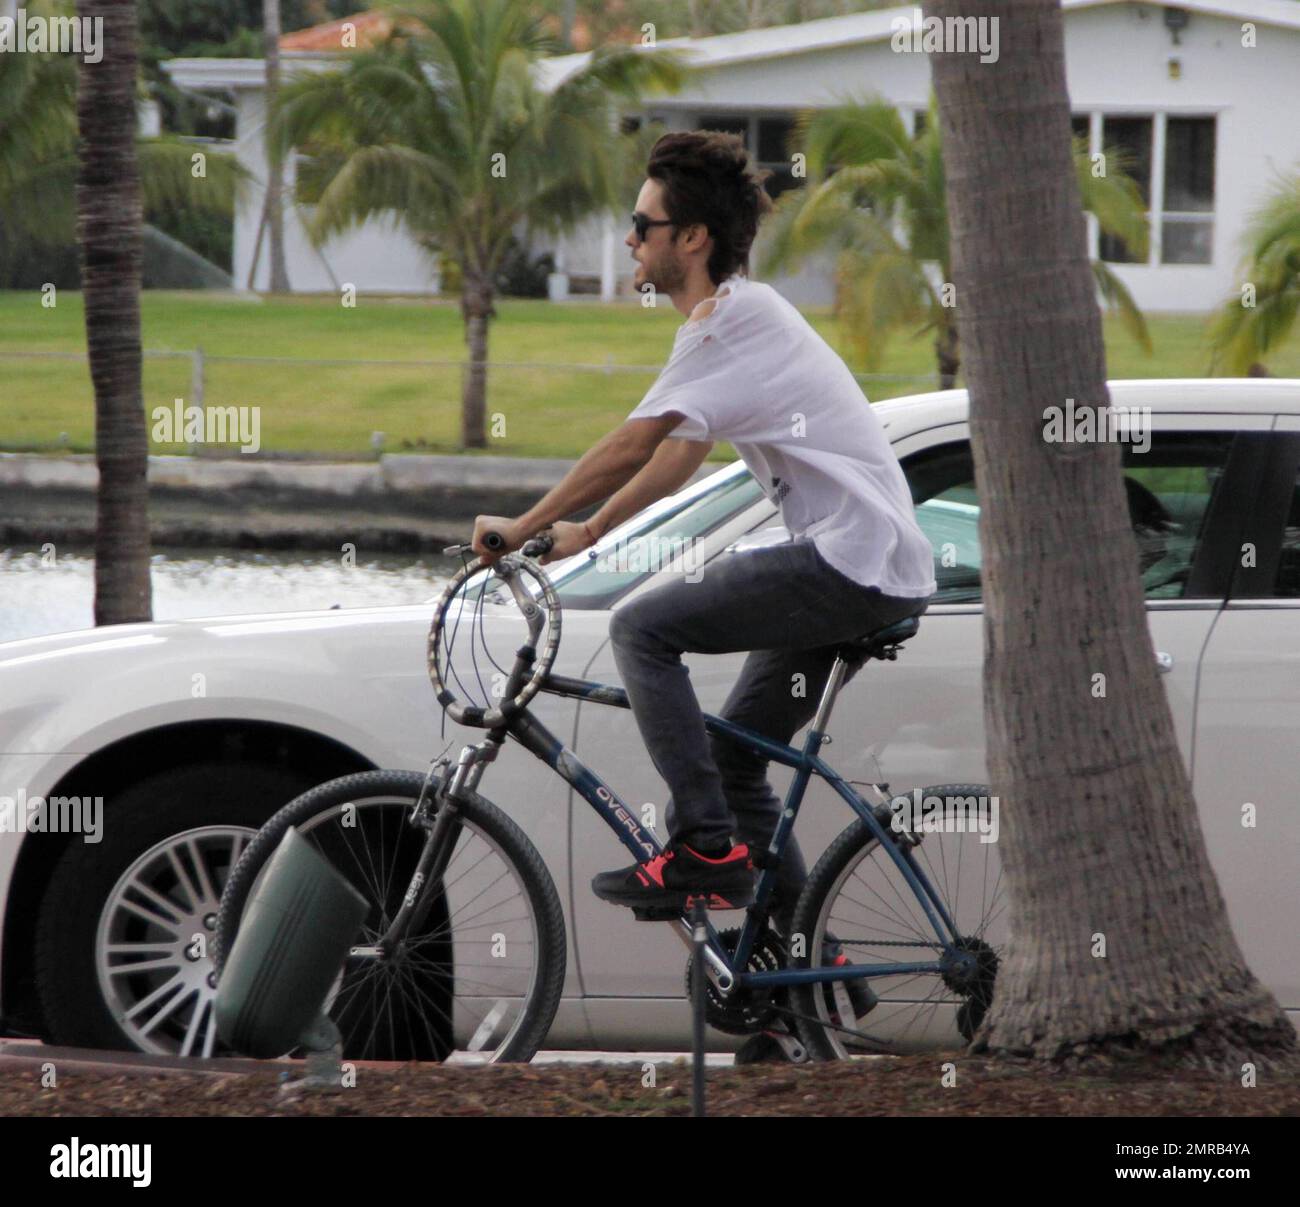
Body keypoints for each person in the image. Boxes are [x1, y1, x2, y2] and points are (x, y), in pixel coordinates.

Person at [471, 130, 935, 932]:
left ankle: (703, 847)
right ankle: (796, 986)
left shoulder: (729, 323)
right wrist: (590, 529)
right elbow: (683, 450)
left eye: (641, 224)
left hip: (848, 561)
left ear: (692, 238)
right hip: (861, 566)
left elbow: (632, 442)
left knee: (641, 627)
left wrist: (522, 526)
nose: (629, 239)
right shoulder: (740, 321)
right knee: (736, 757)